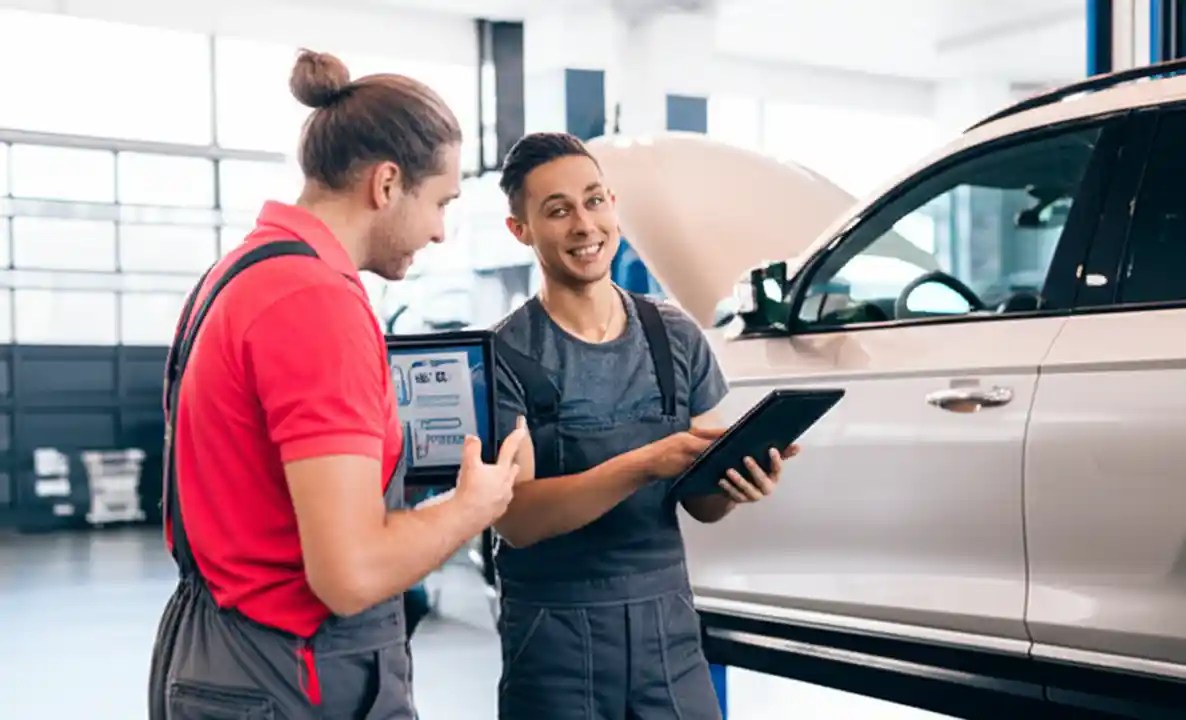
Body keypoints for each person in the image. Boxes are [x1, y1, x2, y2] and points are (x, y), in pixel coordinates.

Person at [147, 49, 525, 719]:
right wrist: (476, 504)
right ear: (386, 184)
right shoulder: (314, 303)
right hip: (292, 673)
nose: (440, 231)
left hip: (222, 653)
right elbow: (349, 575)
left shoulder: (240, 274)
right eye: (440, 201)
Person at [488, 132, 799, 720]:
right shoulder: (507, 355)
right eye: (558, 211)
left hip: (668, 631)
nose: (585, 225)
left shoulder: (673, 336)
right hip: (554, 638)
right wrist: (645, 463)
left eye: (595, 201)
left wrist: (737, 481)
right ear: (521, 230)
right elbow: (519, 518)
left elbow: (700, 504)